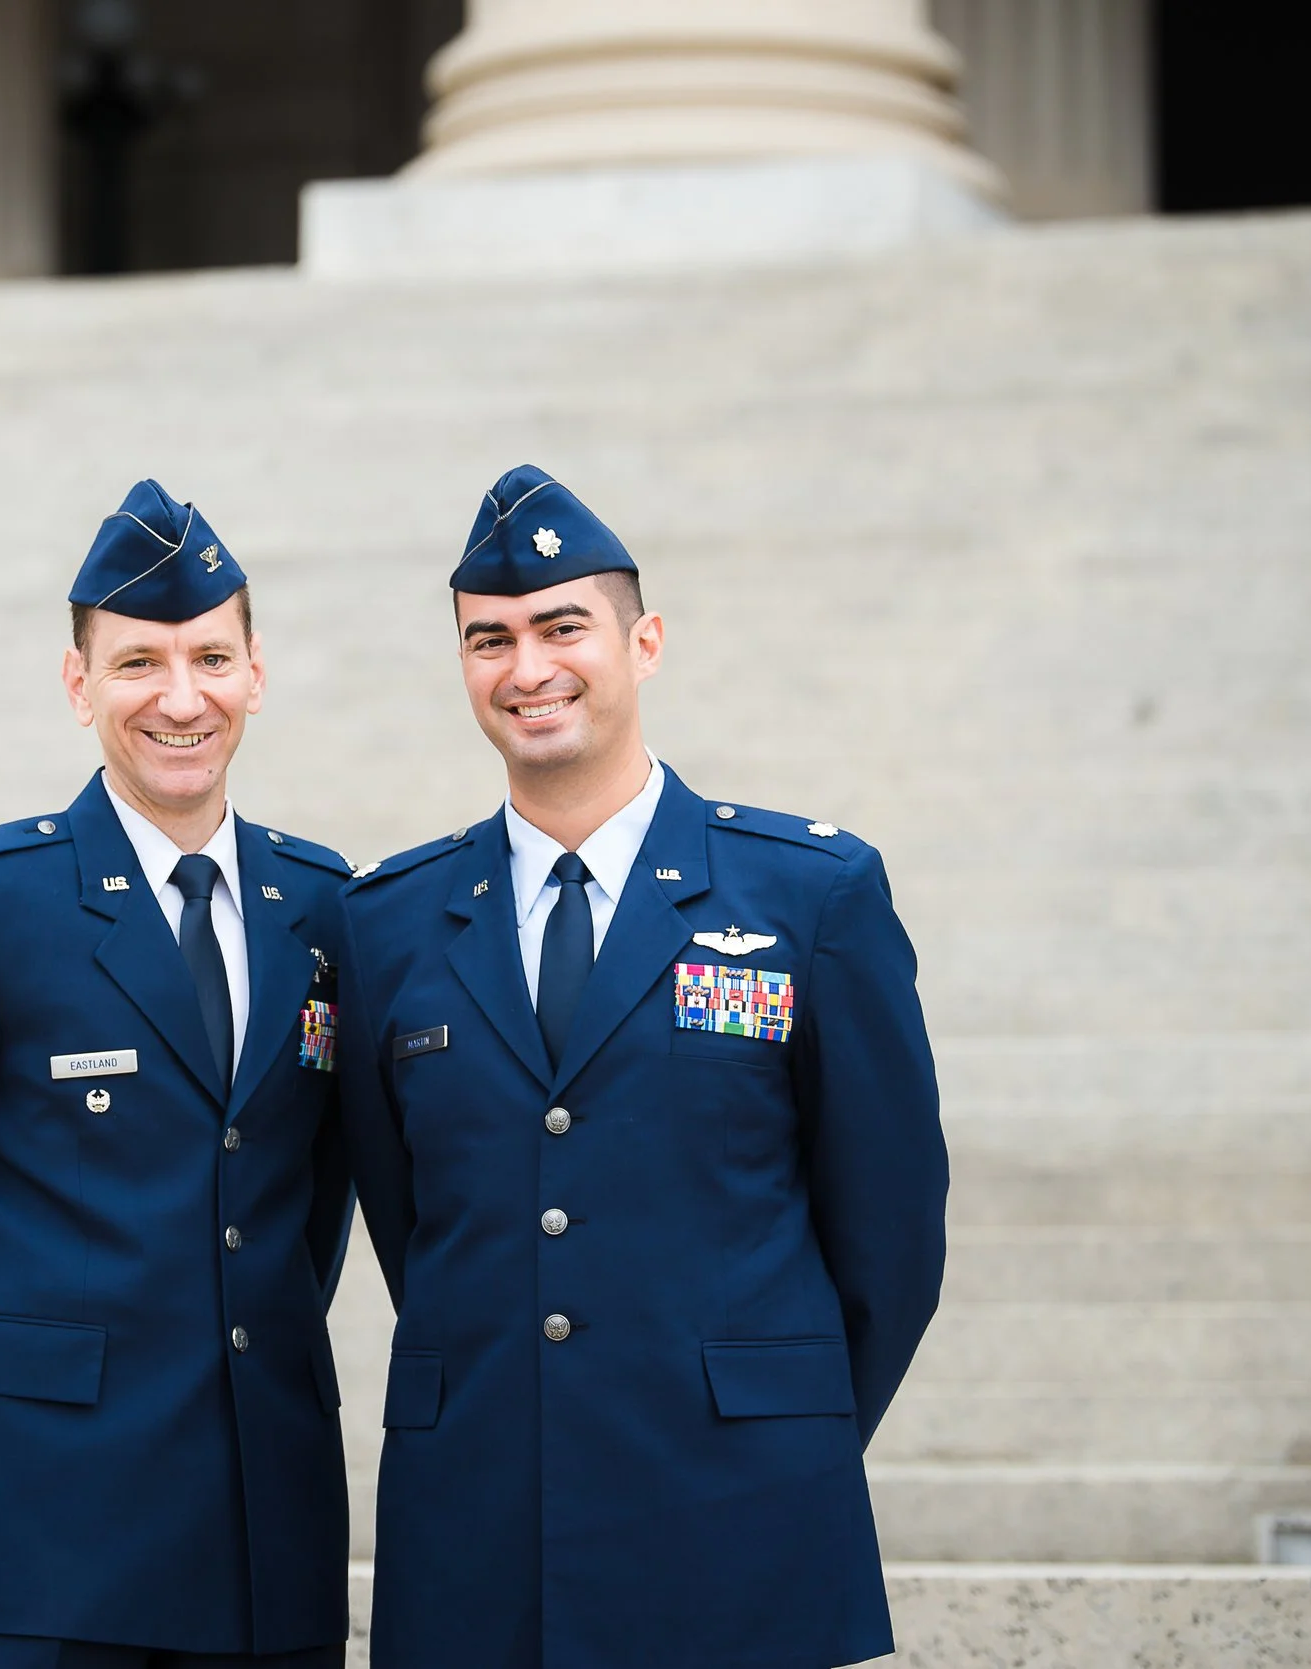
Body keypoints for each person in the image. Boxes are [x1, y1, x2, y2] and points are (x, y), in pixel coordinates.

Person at [336, 465, 949, 1669]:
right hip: (479, 1535)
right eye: (489, 639)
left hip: (740, 1517)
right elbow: (410, 1225)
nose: (528, 668)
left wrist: (776, 1424)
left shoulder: (808, 895)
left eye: (564, 627)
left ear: (644, 640)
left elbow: (891, 1239)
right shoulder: (385, 925)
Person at [0, 480, 356, 1669]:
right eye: (137, 662)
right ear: (77, 686)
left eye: (210, 656)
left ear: (256, 673)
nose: (180, 696)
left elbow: (308, 1202)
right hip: (36, 1546)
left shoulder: (321, 905)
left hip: (267, 1539)